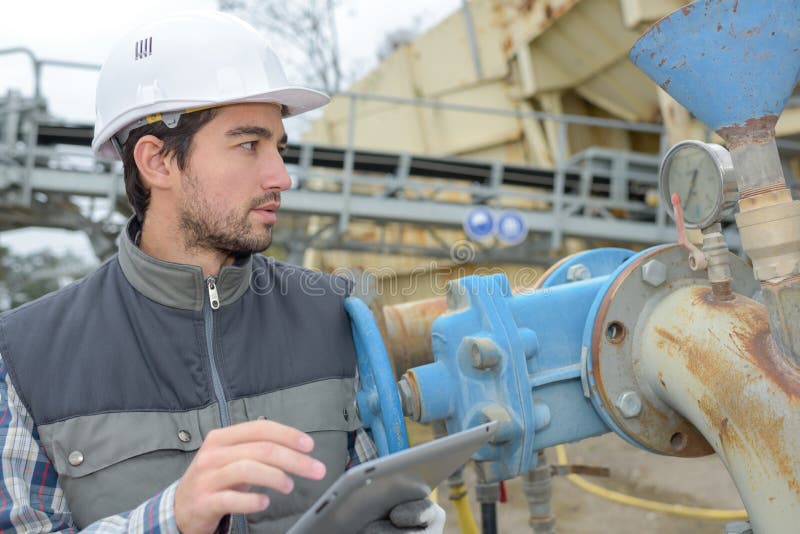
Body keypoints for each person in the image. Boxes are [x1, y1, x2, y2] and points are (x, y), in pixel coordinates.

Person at [0, 11, 445, 534]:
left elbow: (368, 482)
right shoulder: (23, 358)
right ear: (158, 162)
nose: (281, 175)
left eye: (279, 147)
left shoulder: (334, 313)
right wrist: (171, 519)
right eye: (248, 144)